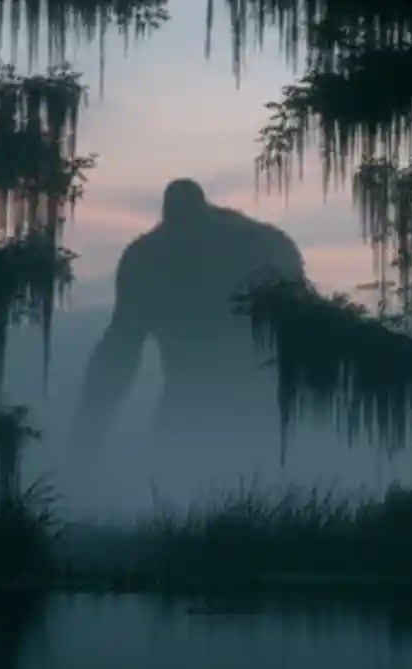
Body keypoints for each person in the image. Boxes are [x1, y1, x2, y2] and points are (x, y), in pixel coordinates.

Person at [67, 179, 306, 493]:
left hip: (233, 409)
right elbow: (118, 351)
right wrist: (87, 438)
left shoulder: (148, 257)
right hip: (217, 411)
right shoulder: (262, 244)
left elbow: (118, 351)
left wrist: (86, 438)